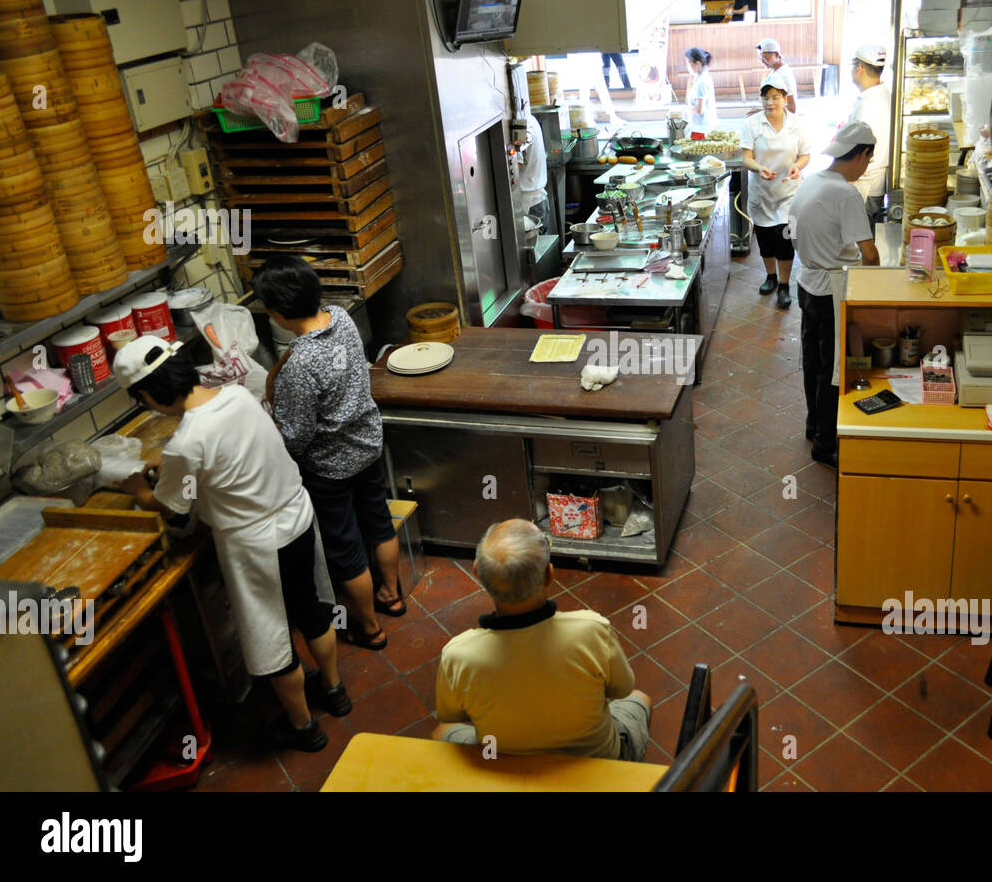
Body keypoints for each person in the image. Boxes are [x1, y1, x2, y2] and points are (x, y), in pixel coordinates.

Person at [116, 336, 347, 753]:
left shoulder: (186, 443)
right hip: (296, 518)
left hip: (259, 545)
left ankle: (304, 728)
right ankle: (335, 691)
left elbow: (173, 507)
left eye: (142, 400)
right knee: (309, 608)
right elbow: (227, 456)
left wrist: (139, 489)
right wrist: (174, 466)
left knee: (272, 635)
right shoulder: (237, 397)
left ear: (150, 394)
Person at [254, 257, 404, 652]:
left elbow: (297, 436)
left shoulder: (301, 365)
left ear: (279, 312)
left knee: (345, 548)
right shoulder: (341, 317)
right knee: (379, 522)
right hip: (368, 445)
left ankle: (370, 628)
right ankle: (391, 595)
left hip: (330, 468)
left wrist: (273, 429)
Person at [432, 519, 651, 761]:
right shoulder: (592, 629)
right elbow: (622, 689)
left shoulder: (458, 654)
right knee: (640, 699)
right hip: (594, 761)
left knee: (442, 731)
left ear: (477, 573)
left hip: (504, 759)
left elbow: (452, 714)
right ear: (549, 574)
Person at [788, 120, 879, 467]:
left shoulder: (812, 180)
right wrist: (872, 287)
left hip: (807, 282)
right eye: (869, 159)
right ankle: (826, 444)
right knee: (832, 369)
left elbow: (795, 232)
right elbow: (869, 253)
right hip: (830, 290)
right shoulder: (845, 193)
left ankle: (814, 425)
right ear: (862, 154)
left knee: (812, 361)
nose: (867, 166)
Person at [741, 71, 811, 309]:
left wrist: (797, 166)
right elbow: (746, 158)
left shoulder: (797, 123)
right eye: (765, 97)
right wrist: (759, 168)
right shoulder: (752, 123)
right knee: (765, 241)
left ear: (784, 98)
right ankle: (770, 277)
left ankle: (784, 285)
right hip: (762, 193)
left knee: (785, 240)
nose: (770, 102)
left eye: (775, 97)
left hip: (789, 193)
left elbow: (805, 155)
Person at [848, 45, 891, 220]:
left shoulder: (869, 104)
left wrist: (847, 179)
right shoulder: (881, 93)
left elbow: (864, 150)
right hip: (873, 184)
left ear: (859, 68)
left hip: (864, 187)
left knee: (859, 233)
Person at [515, 113, 550, 234]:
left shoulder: (518, 126)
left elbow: (515, 166)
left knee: (532, 245)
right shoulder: (530, 119)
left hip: (529, 206)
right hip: (538, 200)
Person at [756, 38, 798, 113]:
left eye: (765, 57)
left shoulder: (784, 75)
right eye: (760, 58)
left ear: (776, 54)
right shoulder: (775, 71)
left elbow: (792, 108)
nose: (762, 61)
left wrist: (762, 112)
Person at [683, 47, 718, 136]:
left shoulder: (701, 82)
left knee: (698, 144)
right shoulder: (700, 77)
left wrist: (685, 110)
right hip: (701, 126)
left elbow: (699, 109)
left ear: (697, 64)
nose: (687, 66)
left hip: (701, 129)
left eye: (688, 63)